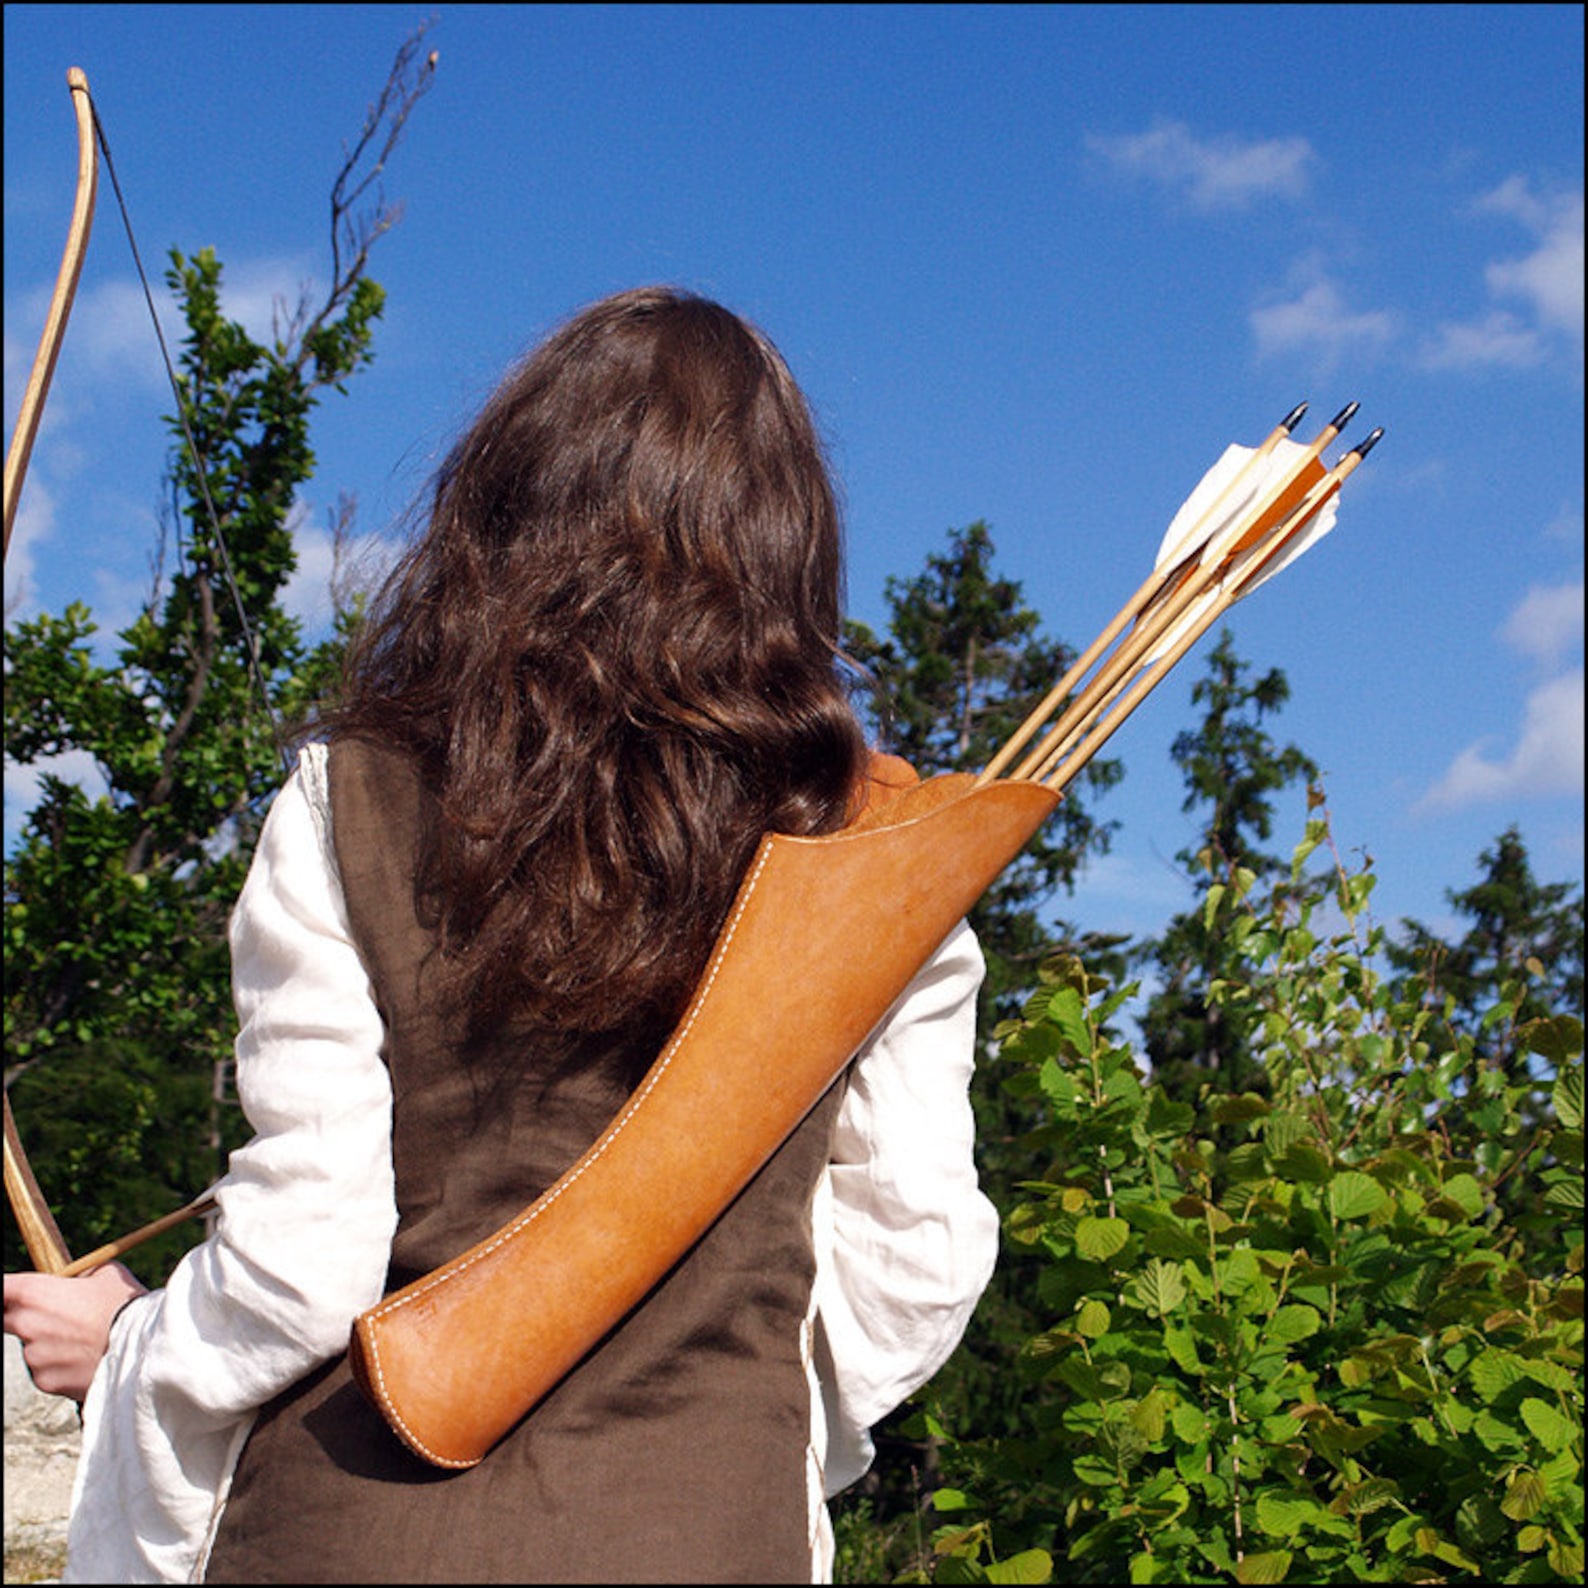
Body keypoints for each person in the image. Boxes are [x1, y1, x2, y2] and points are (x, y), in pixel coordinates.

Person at [4, 287, 999, 1584]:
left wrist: (129, 1342)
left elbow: (304, 1261)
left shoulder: (351, 795)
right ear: (786, 553)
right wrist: (717, 1413)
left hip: (349, 1533)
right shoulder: (883, 850)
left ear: (508, 508)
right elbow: (913, 1266)